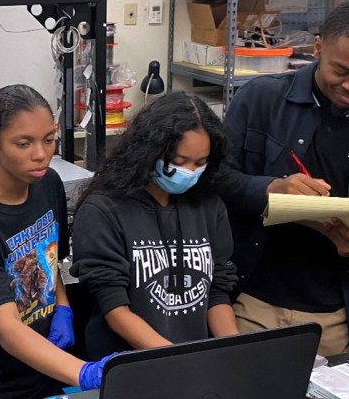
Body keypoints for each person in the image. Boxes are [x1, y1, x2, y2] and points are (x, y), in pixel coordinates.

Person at [218, 0, 349, 355]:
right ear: (318, 47)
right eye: (341, 71)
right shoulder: (260, 101)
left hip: (336, 319)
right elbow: (214, 182)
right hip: (250, 303)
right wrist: (271, 189)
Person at [0, 84, 110, 399]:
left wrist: (62, 305)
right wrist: (84, 372)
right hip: (8, 380)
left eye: (48, 140)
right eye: (24, 143)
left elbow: (51, 260)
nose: (40, 153)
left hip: (52, 361)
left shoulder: (47, 183)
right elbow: (8, 330)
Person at [72, 92, 239, 357]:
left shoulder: (209, 206)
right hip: (132, 366)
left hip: (193, 363)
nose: (189, 172)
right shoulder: (104, 210)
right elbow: (115, 309)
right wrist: (172, 359)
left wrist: (233, 348)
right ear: (150, 151)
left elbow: (217, 293)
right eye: (180, 161)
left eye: (200, 163)